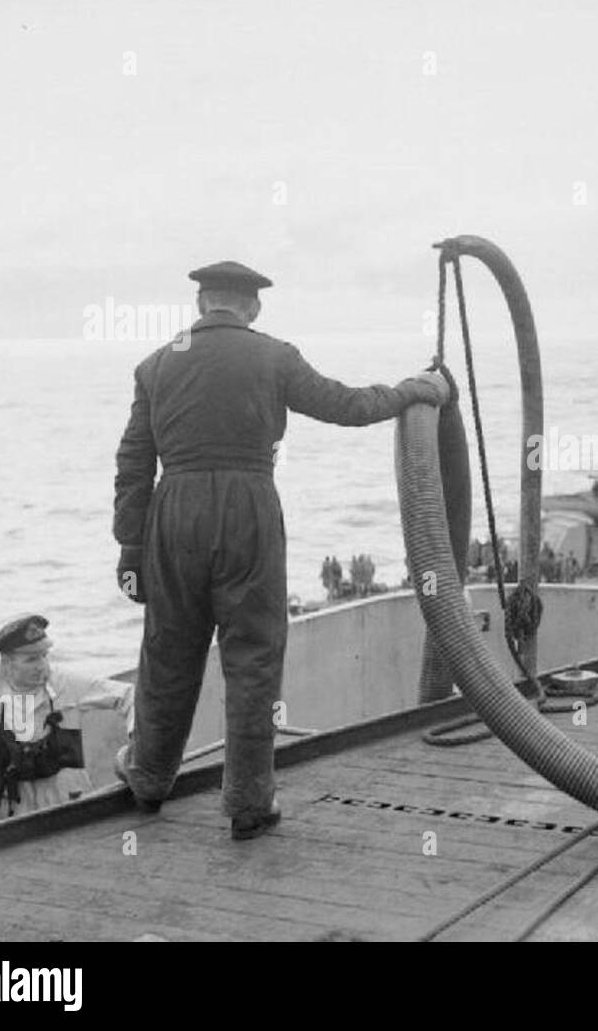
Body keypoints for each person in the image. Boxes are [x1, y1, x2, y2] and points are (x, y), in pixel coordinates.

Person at [112, 260, 450, 839]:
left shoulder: (155, 365)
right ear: (253, 308)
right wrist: (412, 391)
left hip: (174, 511)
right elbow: (348, 406)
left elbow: (133, 465)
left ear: (200, 305)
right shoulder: (275, 357)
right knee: (253, 656)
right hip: (248, 508)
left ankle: (148, 778)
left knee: (167, 650)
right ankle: (248, 802)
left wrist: (130, 550)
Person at [0, 614, 133, 819]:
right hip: (17, 808)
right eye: (31, 659)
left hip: (71, 800)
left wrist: (137, 739)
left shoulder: (65, 683)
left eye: (44, 655)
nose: (41, 665)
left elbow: (129, 694)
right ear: (7, 662)